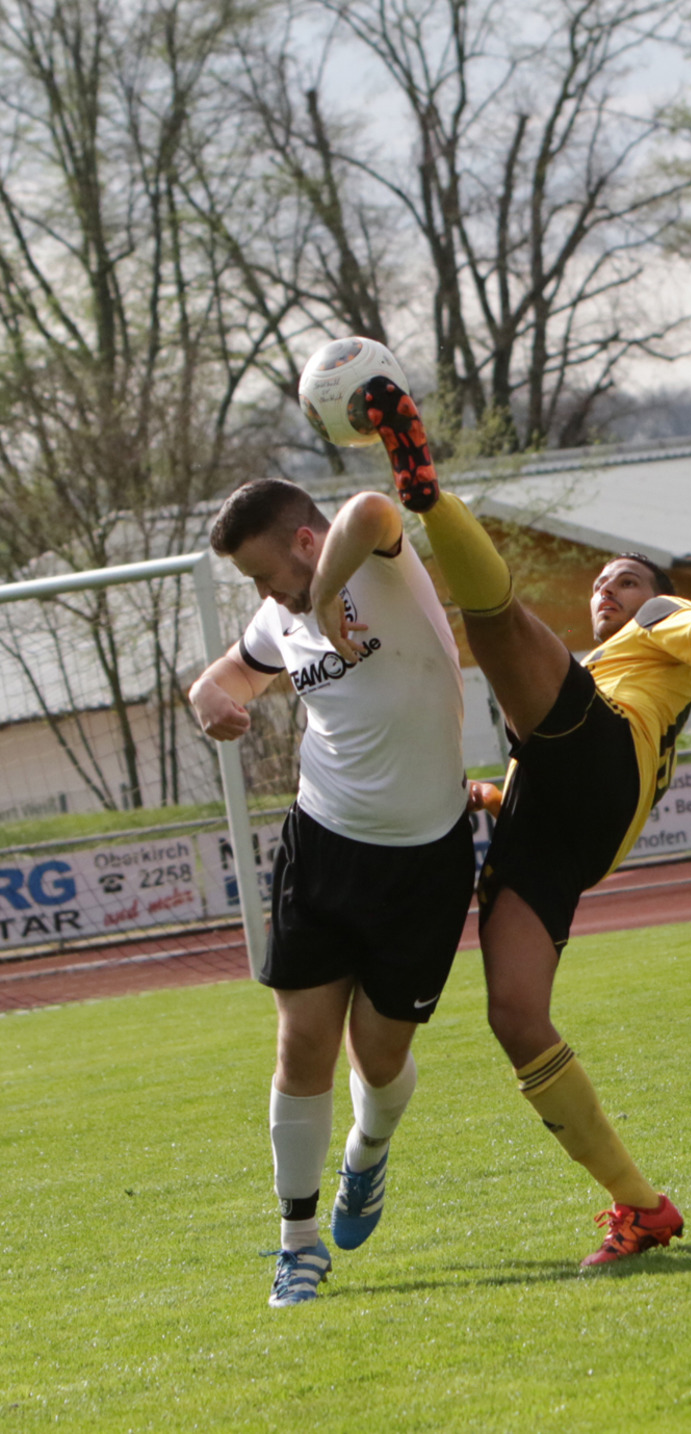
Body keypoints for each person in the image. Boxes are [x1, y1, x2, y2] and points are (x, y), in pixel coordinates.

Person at [343, 375, 691, 1266]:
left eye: (623, 580)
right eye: (606, 585)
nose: (611, 592)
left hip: (601, 763)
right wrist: (491, 798)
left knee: (496, 628)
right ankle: (640, 1206)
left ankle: (428, 493)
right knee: (515, 1018)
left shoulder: (653, 623)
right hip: (555, 835)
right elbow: (532, 768)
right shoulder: (585, 663)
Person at [189, 479, 475, 1307]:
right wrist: (208, 695)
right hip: (322, 843)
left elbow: (373, 509)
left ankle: (368, 1154)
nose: (262, 593)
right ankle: (297, 1242)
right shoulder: (279, 614)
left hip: (425, 859)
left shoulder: (378, 565)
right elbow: (233, 676)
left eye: (261, 571)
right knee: (304, 1042)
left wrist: (321, 596)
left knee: (379, 1059)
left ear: (305, 543)